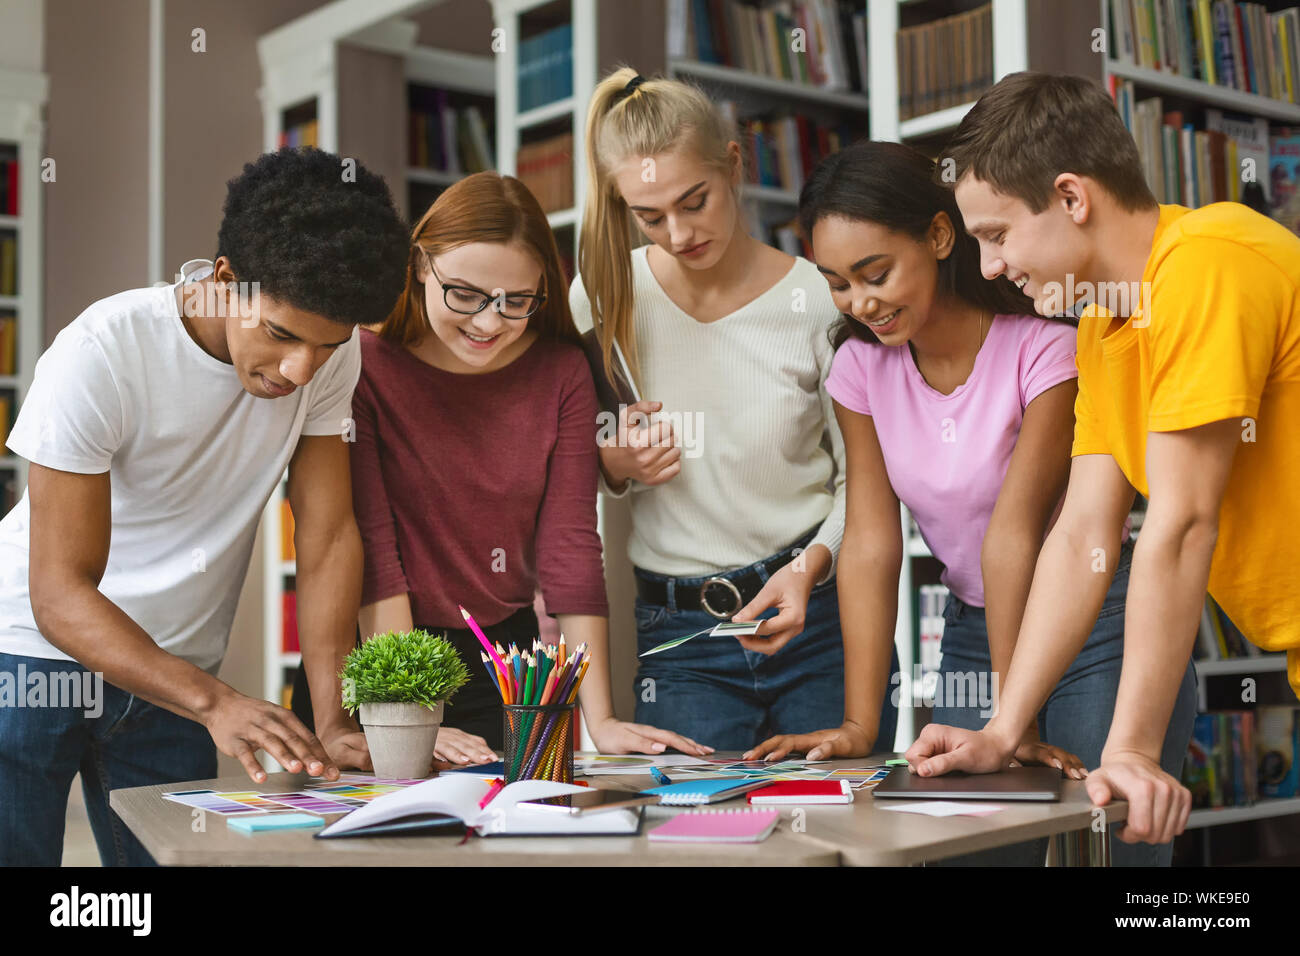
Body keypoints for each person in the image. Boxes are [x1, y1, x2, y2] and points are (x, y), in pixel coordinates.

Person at [745, 140, 1197, 865]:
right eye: (837, 284)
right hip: (970, 632)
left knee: (1107, 852)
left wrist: (1005, 721)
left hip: (1100, 627)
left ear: (938, 235)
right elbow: (869, 539)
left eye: (875, 273)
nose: (861, 303)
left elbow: (1014, 534)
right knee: (966, 851)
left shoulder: (1043, 345)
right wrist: (862, 727)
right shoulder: (860, 366)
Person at [908, 71, 1300, 848]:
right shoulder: (1106, 323)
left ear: (1071, 197)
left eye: (997, 235)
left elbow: (1184, 525)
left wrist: (1130, 749)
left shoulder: (1204, 266)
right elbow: (1083, 534)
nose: (988, 268)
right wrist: (1003, 727)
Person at [0, 147, 409, 865]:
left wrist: (334, 715)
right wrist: (215, 702)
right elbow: (59, 594)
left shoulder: (325, 356)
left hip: (176, 671)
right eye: (280, 335)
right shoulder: (101, 352)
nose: (300, 371)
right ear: (224, 281)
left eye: (326, 345)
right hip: (27, 659)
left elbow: (328, 538)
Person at [571, 66, 898, 751]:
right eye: (649, 216)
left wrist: (811, 565)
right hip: (681, 640)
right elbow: (573, 457)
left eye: (696, 201)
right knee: (695, 848)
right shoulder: (600, 296)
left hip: (819, 620)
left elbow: (863, 485)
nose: (679, 232)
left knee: (836, 844)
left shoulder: (817, 298)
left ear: (733, 163)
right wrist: (613, 459)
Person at [336, 170, 708, 761]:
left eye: (517, 301)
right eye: (465, 295)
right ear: (419, 264)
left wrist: (603, 719)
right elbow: (375, 554)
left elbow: (569, 548)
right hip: (383, 660)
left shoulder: (559, 372)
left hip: (504, 660)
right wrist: (409, 709)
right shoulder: (363, 365)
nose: (489, 323)